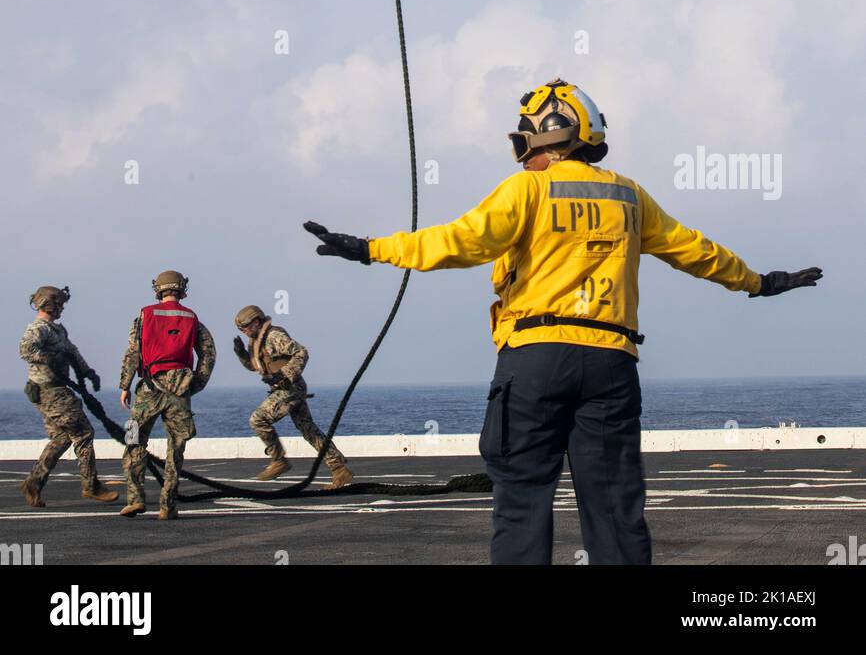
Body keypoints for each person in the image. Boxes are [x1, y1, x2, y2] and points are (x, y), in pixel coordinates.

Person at [305, 78, 822, 566]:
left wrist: (372, 249)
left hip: (536, 359)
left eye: (523, 139)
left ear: (547, 136)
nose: (521, 152)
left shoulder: (527, 190)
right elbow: (695, 250)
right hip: (611, 365)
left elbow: (458, 241)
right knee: (617, 507)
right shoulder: (630, 196)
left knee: (522, 501)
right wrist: (758, 282)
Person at [118, 269, 216, 520]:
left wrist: (124, 385)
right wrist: (196, 383)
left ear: (158, 289)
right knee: (176, 448)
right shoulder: (191, 317)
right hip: (181, 390)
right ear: (182, 288)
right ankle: (168, 505)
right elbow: (209, 352)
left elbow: (133, 352)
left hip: (148, 389)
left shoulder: (145, 314)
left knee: (133, 440)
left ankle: (135, 499)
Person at [19, 285, 118, 508]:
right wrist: (48, 359)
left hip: (52, 391)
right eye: (59, 303)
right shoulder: (38, 329)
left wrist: (87, 372)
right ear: (49, 304)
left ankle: (33, 483)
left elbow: (72, 352)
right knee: (83, 433)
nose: (62, 308)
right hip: (50, 392)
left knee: (62, 438)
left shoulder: (57, 331)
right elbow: (26, 350)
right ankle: (91, 485)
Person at [233, 305, 353, 488]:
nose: (245, 332)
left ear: (257, 322)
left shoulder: (273, 336)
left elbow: (301, 352)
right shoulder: (257, 340)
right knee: (309, 430)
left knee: (258, 419)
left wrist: (284, 374)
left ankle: (278, 460)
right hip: (286, 388)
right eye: (242, 330)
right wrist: (242, 355)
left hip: (289, 388)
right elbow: (257, 366)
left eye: (247, 327)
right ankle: (339, 469)